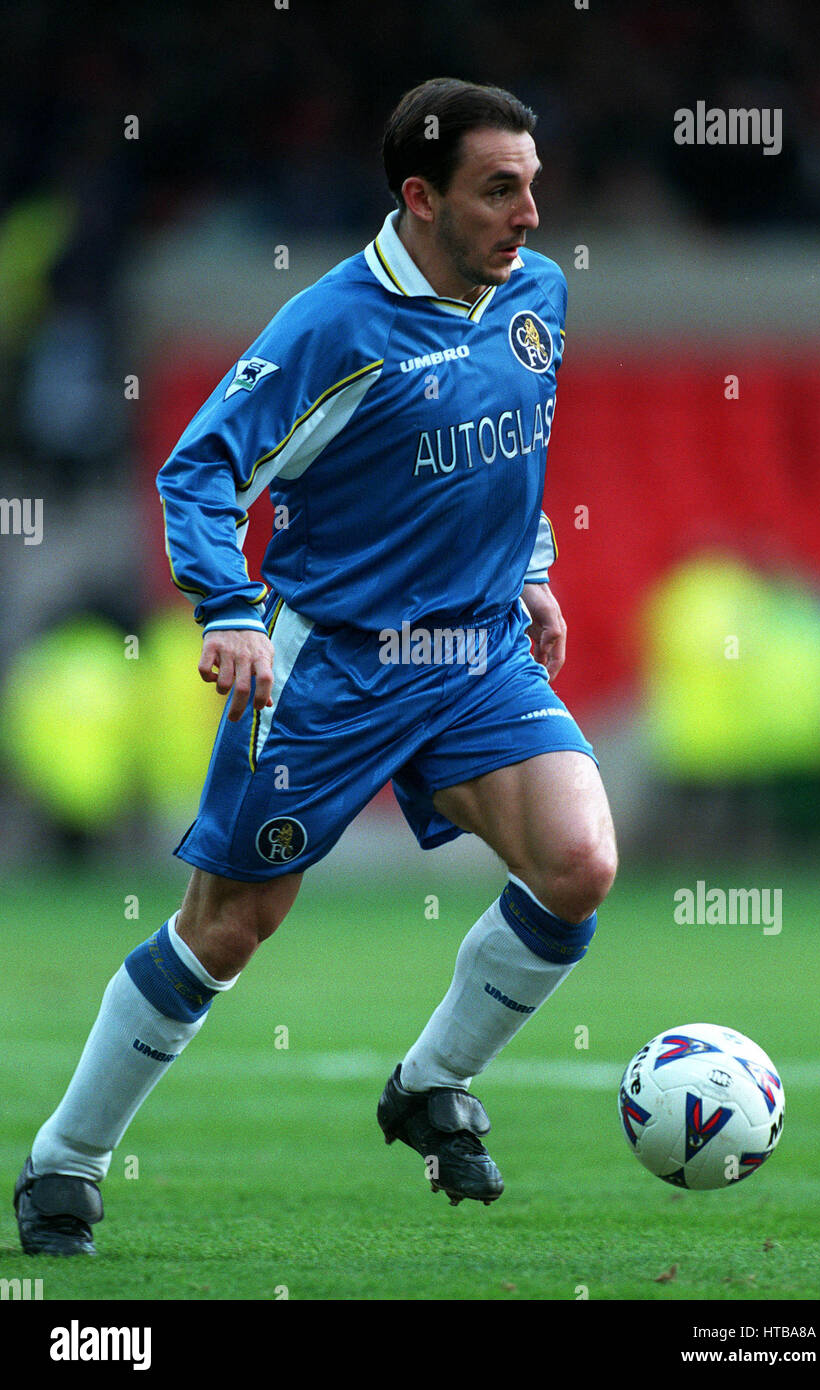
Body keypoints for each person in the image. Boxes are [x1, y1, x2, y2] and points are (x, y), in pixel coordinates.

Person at [15, 77, 617, 1254]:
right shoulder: (331, 328)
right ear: (419, 198)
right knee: (229, 927)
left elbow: (518, 453)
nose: (530, 216)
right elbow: (196, 472)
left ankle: (428, 1082)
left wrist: (531, 563)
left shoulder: (533, 294)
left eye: (533, 186)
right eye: (500, 190)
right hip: (328, 665)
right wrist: (229, 610)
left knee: (578, 863)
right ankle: (64, 1163)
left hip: (475, 653)